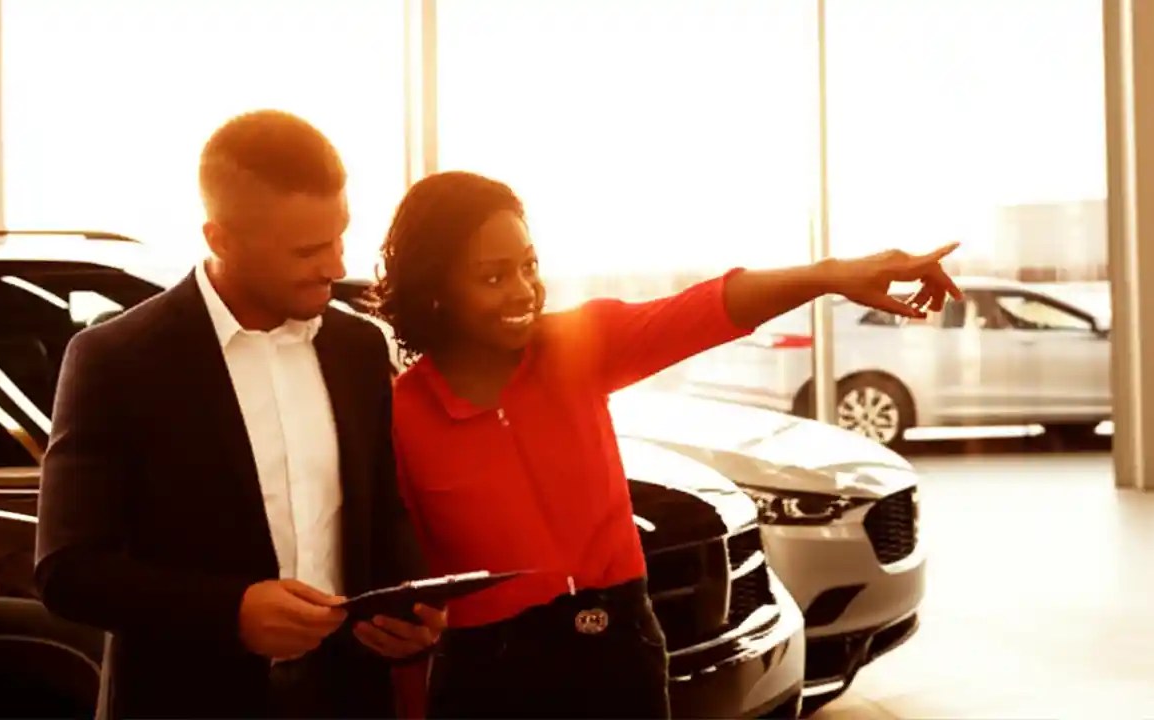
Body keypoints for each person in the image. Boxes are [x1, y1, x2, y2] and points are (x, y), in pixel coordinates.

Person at [371, 170, 961, 719]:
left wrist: (832, 275)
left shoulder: (581, 345)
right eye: (493, 277)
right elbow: (397, 577)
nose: (524, 290)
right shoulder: (400, 414)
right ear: (434, 290)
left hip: (621, 650)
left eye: (529, 265)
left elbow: (710, 307)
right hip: (488, 679)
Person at [35, 109, 445, 719]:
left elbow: (381, 508)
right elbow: (68, 569)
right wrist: (231, 612)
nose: (336, 265)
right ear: (221, 239)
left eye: (339, 236)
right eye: (308, 249)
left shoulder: (358, 348)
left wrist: (410, 608)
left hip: (347, 697)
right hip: (187, 699)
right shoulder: (116, 359)